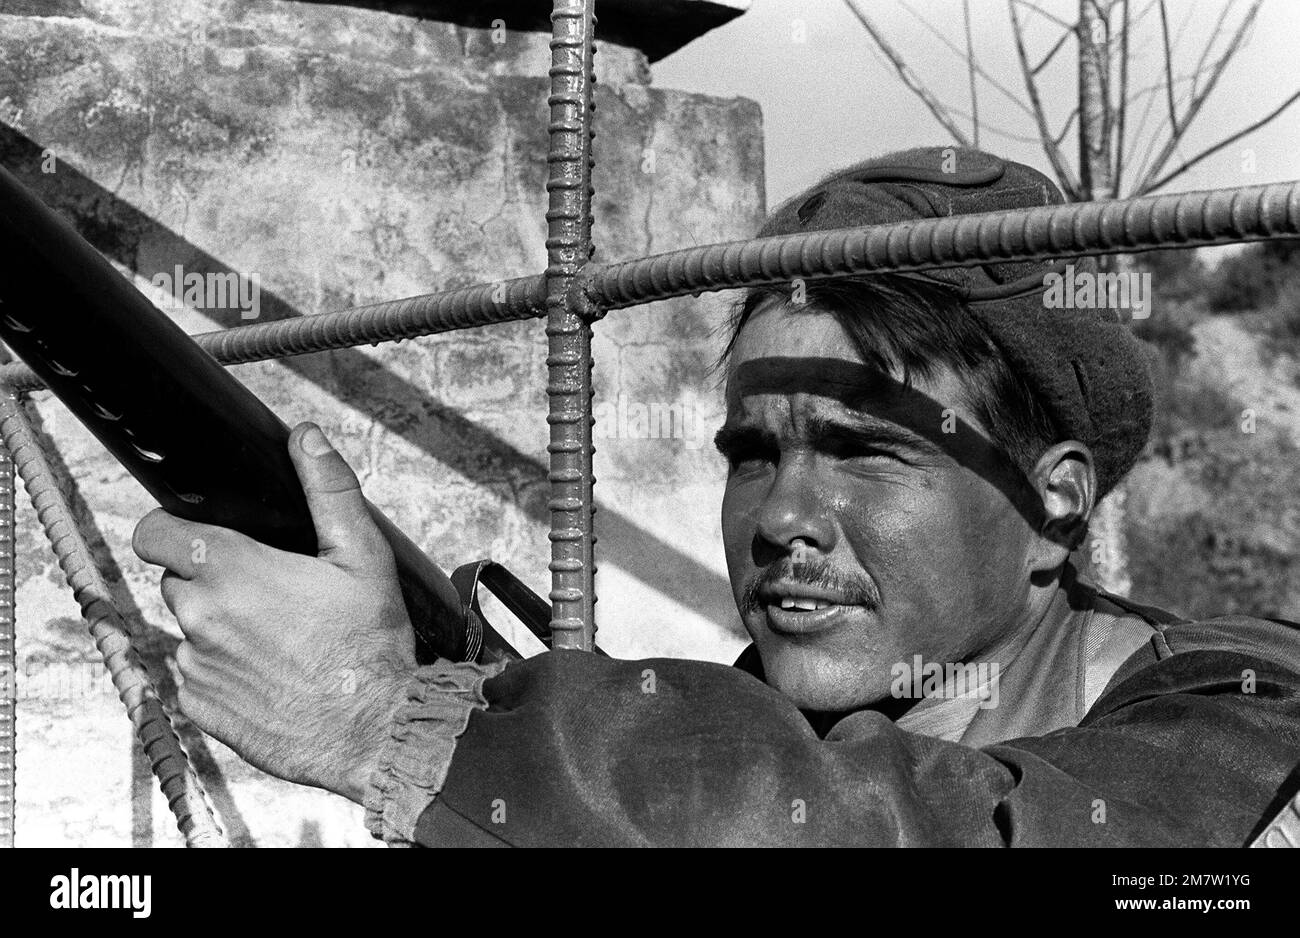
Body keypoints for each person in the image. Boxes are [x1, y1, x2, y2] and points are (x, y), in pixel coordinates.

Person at [131, 147, 1300, 846]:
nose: (782, 516)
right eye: (752, 451)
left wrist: (388, 723)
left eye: (862, 450)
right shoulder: (717, 726)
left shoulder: (1245, 712)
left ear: (1054, 505)